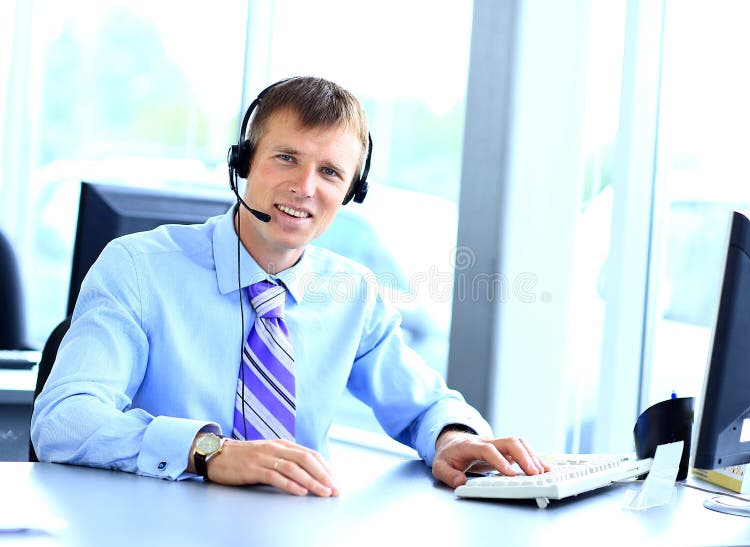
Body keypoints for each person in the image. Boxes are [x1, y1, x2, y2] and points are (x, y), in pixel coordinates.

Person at [31, 76, 549, 497]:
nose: (304, 187)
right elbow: (63, 420)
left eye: (329, 171)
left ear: (351, 192)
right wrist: (208, 451)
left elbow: (423, 404)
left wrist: (452, 437)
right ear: (244, 162)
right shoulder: (138, 268)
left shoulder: (353, 293)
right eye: (286, 158)